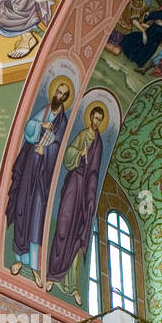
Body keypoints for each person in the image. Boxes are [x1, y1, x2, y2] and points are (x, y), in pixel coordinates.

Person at [7, 78, 71, 283]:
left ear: (65, 99)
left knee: (36, 215)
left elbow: (59, 147)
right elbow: (29, 130)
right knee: (21, 209)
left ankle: (34, 265)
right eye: (57, 92)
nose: (58, 96)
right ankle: (18, 259)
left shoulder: (63, 121)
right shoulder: (44, 111)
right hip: (29, 168)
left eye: (62, 94)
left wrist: (46, 149)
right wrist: (39, 125)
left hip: (43, 174)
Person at [47, 104, 106, 305]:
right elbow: (68, 155)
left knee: (77, 232)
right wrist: (79, 154)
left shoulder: (99, 144)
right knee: (63, 226)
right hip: (74, 183)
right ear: (90, 118)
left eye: (100, 119)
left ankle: (73, 287)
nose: (96, 122)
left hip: (85, 191)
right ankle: (53, 274)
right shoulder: (82, 135)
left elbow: (96, 172)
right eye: (94, 118)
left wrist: (91, 198)